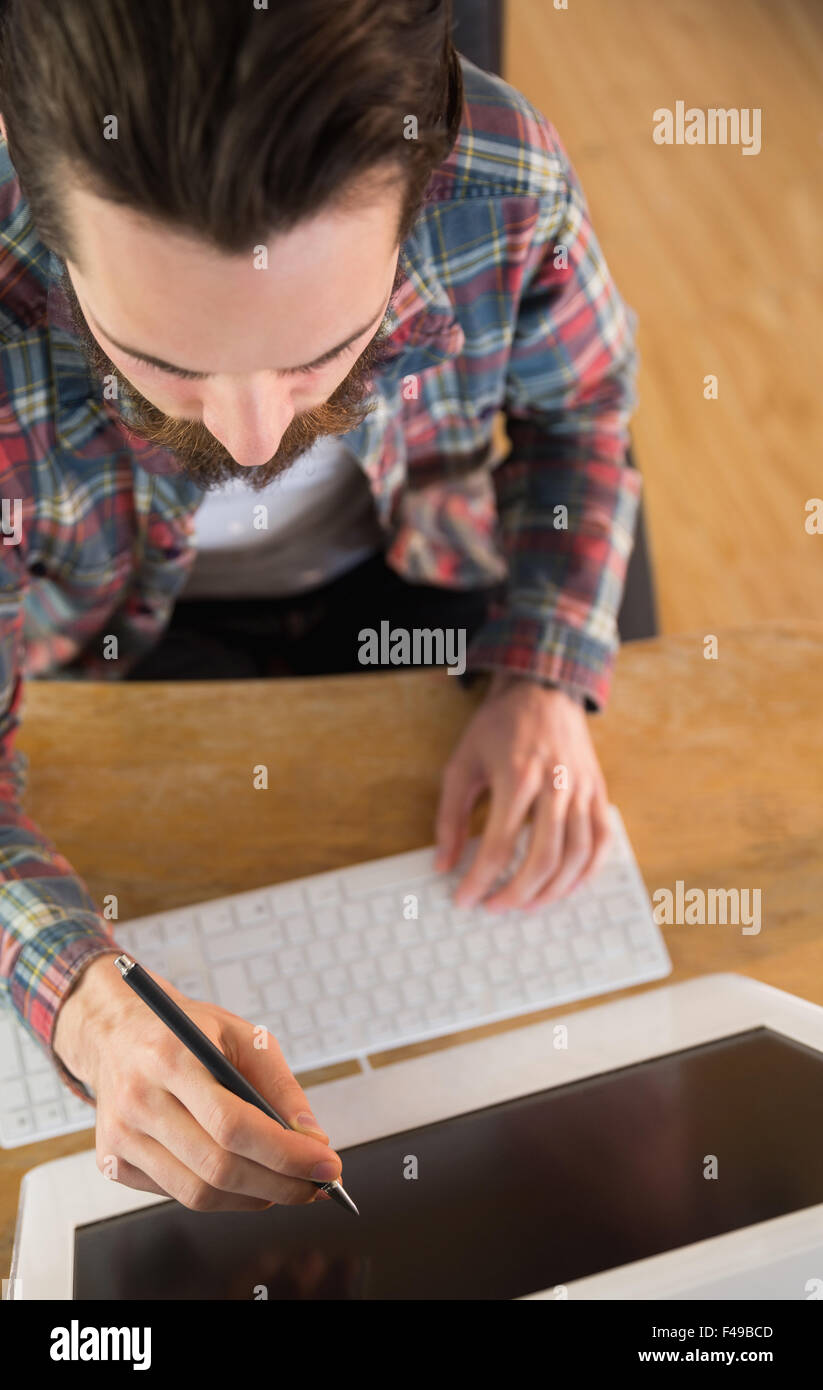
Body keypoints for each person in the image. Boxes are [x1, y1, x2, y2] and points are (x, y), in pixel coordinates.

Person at [0, 0, 640, 1212]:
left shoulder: (507, 182)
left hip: (418, 577)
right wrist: (81, 1000)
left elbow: (579, 417)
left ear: (425, 182)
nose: (247, 436)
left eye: (323, 349)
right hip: (104, 646)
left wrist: (542, 669)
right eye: (162, 359)